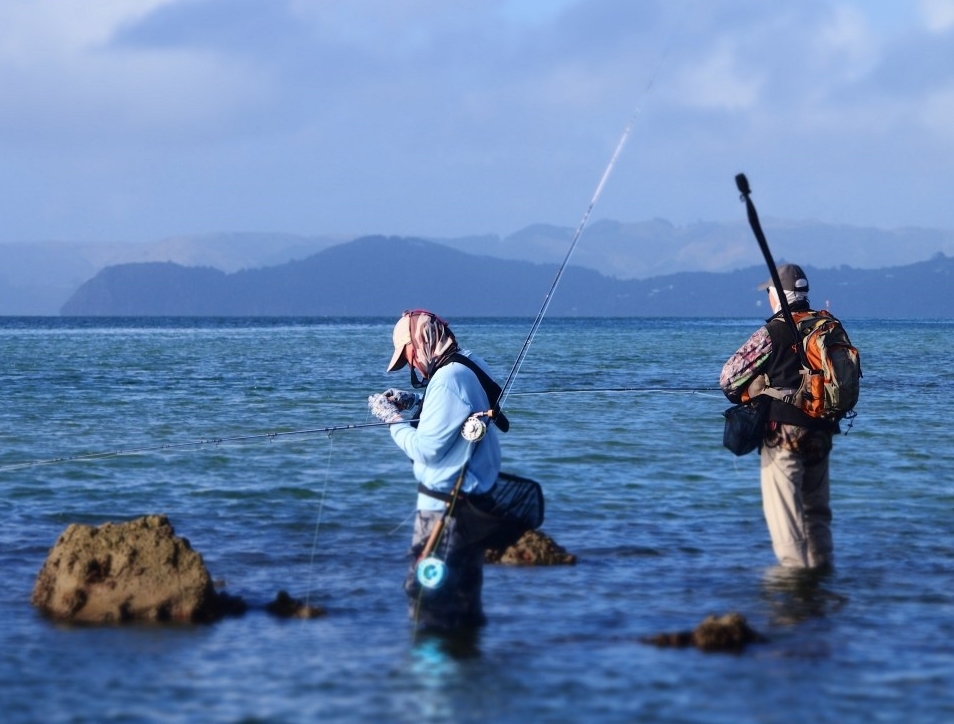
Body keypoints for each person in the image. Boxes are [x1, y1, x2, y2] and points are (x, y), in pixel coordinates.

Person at [367, 309, 503, 632]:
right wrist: (415, 400)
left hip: (444, 513)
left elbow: (426, 450)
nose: (411, 365)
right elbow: (455, 407)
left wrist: (392, 419)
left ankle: (434, 678)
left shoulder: (445, 381)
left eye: (409, 356)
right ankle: (466, 670)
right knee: (465, 603)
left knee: (431, 609)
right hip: (473, 507)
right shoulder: (466, 363)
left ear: (421, 341)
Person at [720, 264, 837, 569]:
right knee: (817, 513)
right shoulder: (827, 326)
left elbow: (728, 379)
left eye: (769, 292)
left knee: (786, 519)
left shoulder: (772, 331)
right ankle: (821, 579)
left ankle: (794, 591)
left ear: (777, 295)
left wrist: (751, 391)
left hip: (782, 437)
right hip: (821, 432)